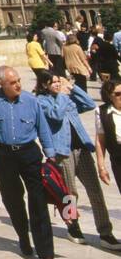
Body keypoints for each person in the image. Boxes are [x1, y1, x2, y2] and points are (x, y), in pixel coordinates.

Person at [0, 65, 58, 259]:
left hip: (28, 152)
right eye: (12, 83)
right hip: (3, 154)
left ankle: (46, 253)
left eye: (19, 81)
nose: (18, 85)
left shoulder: (31, 101)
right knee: (12, 198)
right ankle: (23, 235)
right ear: (1, 83)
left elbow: (43, 128)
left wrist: (51, 155)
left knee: (38, 200)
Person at [33, 71, 119, 248]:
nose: (57, 84)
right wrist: (63, 96)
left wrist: (72, 87)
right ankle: (73, 226)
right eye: (53, 82)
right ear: (44, 85)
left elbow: (88, 103)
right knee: (69, 193)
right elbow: (56, 115)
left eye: (59, 81)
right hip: (63, 152)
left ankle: (105, 232)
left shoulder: (67, 96)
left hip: (82, 148)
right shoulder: (42, 102)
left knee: (95, 191)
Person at [96, 79, 121, 194]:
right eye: (118, 94)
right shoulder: (102, 112)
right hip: (118, 158)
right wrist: (101, 166)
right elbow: (100, 141)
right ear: (109, 96)